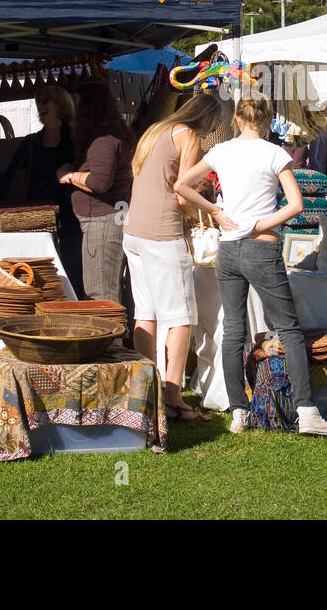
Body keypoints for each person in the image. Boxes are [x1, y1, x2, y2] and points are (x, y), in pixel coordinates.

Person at [174, 96, 327, 437]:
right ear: (267, 121)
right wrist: (263, 225)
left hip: (229, 248)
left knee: (233, 329)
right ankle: (306, 410)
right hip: (261, 248)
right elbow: (296, 205)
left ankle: (239, 410)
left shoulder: (221, 152)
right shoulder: (274, 153)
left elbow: (180, 185)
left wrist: (217, 212)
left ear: (236, 119)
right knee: (288, 329)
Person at [123, 93, 225, 422]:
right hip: (162, 234)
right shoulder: (189, 135)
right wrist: (208, 214)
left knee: (146, 313)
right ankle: (172, 398)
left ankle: (145, 391)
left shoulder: (156, 130)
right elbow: (183, 190)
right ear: (208, 119)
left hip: (134, 232)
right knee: (182, 316)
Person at [0, 84, 84, 298]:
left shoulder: (76, 139)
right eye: (38, 102)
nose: (40, 105)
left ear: (60, 104)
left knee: (71, 270)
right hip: (35, 217)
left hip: (70, 217)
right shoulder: (31, 142)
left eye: (46, 100)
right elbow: (9, 177)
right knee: (38, 273)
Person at [61, 83, 134, 304]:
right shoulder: (113, 133)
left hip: (103, 221)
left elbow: (100, 182)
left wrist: (70, 176)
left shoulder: (103, 139)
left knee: (100, 296)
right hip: (111, 218)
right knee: (106, 291)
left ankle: (111, 340)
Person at [306, 100, 327, 173]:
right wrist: (322, 175)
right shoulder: (316, 131)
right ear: (322, 114)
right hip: (317, 174)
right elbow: (313, 159)